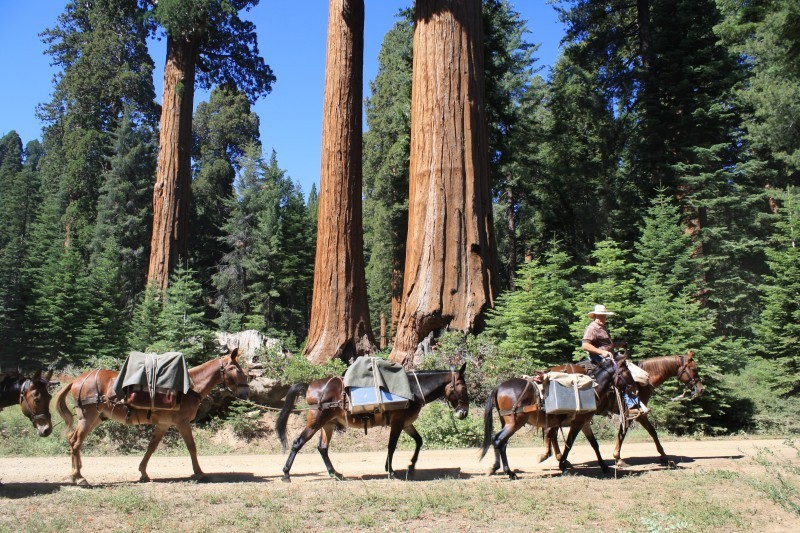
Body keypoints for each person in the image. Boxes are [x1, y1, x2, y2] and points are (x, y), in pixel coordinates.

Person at [581, 304, 648, 417]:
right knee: (623, 375)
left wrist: (618, 345)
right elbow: (585, 345)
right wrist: (602, 352)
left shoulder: (602, 328)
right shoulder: (592, 328)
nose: (603, 318)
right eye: (600, 316)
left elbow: (606, 345)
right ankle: (630, 405)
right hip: (599, 358)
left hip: (609, 357)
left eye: (604, 316)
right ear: (595, 316)